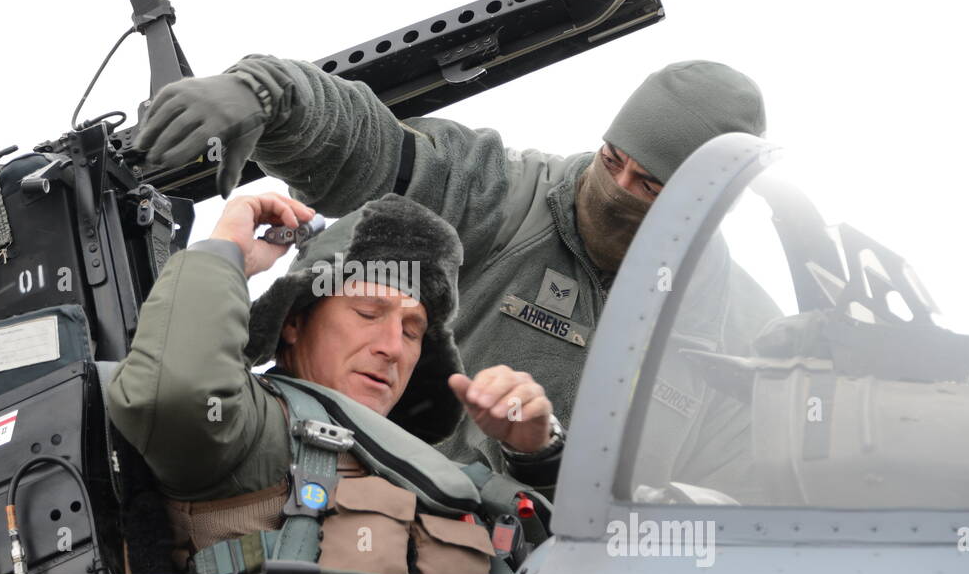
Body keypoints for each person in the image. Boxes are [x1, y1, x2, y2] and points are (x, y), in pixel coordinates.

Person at [131, 56, 768, 470]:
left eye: (649, 184)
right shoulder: (508, 197)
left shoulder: (736, 338)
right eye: (611, 160)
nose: (617, 187)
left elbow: (731, 506)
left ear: (705, 205)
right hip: (396, 525)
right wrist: (269, 96)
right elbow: (377, 153)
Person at [105, 191, 559, 574]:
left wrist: (537, 456)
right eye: (367, 313)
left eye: (412, 329)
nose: (392, 347)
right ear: (295, 323)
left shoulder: (438, 477)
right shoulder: (253, 430)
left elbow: (579, 573)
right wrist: (227, 250)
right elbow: (178, 394)